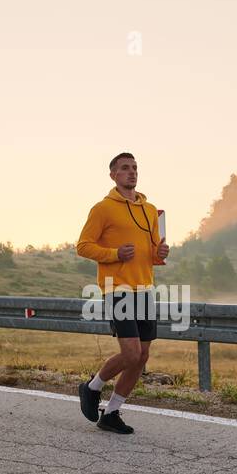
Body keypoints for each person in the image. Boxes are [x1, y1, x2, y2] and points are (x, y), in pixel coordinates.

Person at [75, 152, 169, 434]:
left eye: (135, 168)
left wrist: (159, 253)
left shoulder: (150, 209)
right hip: (117, 289)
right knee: (130, 354)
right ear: (113, 175)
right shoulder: (102, 208)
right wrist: (115, 253)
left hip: (145, 289)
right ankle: (91, 387)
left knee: (142, 357)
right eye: (125, 168)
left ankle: (112, 412)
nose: (131, 172)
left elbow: (153, 254)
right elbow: (83, 246)